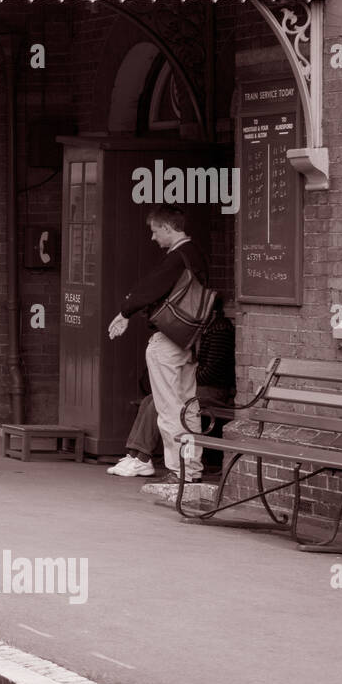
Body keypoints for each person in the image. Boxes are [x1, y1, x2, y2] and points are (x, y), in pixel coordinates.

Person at [107, 204, 209, 483]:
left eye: (154, 231)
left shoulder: (177, 257)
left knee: (168, 407)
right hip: (190, 340)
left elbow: (151, 287)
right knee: (189, 405)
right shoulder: (196, 255)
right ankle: (192, 468)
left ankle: (178, 470)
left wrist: (125, 311)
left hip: (169, 340)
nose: (153, 238)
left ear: (167, 228)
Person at [109, 300, 235, 477]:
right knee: (150, 400)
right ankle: (134, 455)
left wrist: (180, 377)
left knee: (158, 403)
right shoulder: (203, 328)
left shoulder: (219, 330)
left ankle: (143, 458)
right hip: (198, 385)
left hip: (213, 389)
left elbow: (212, 373)